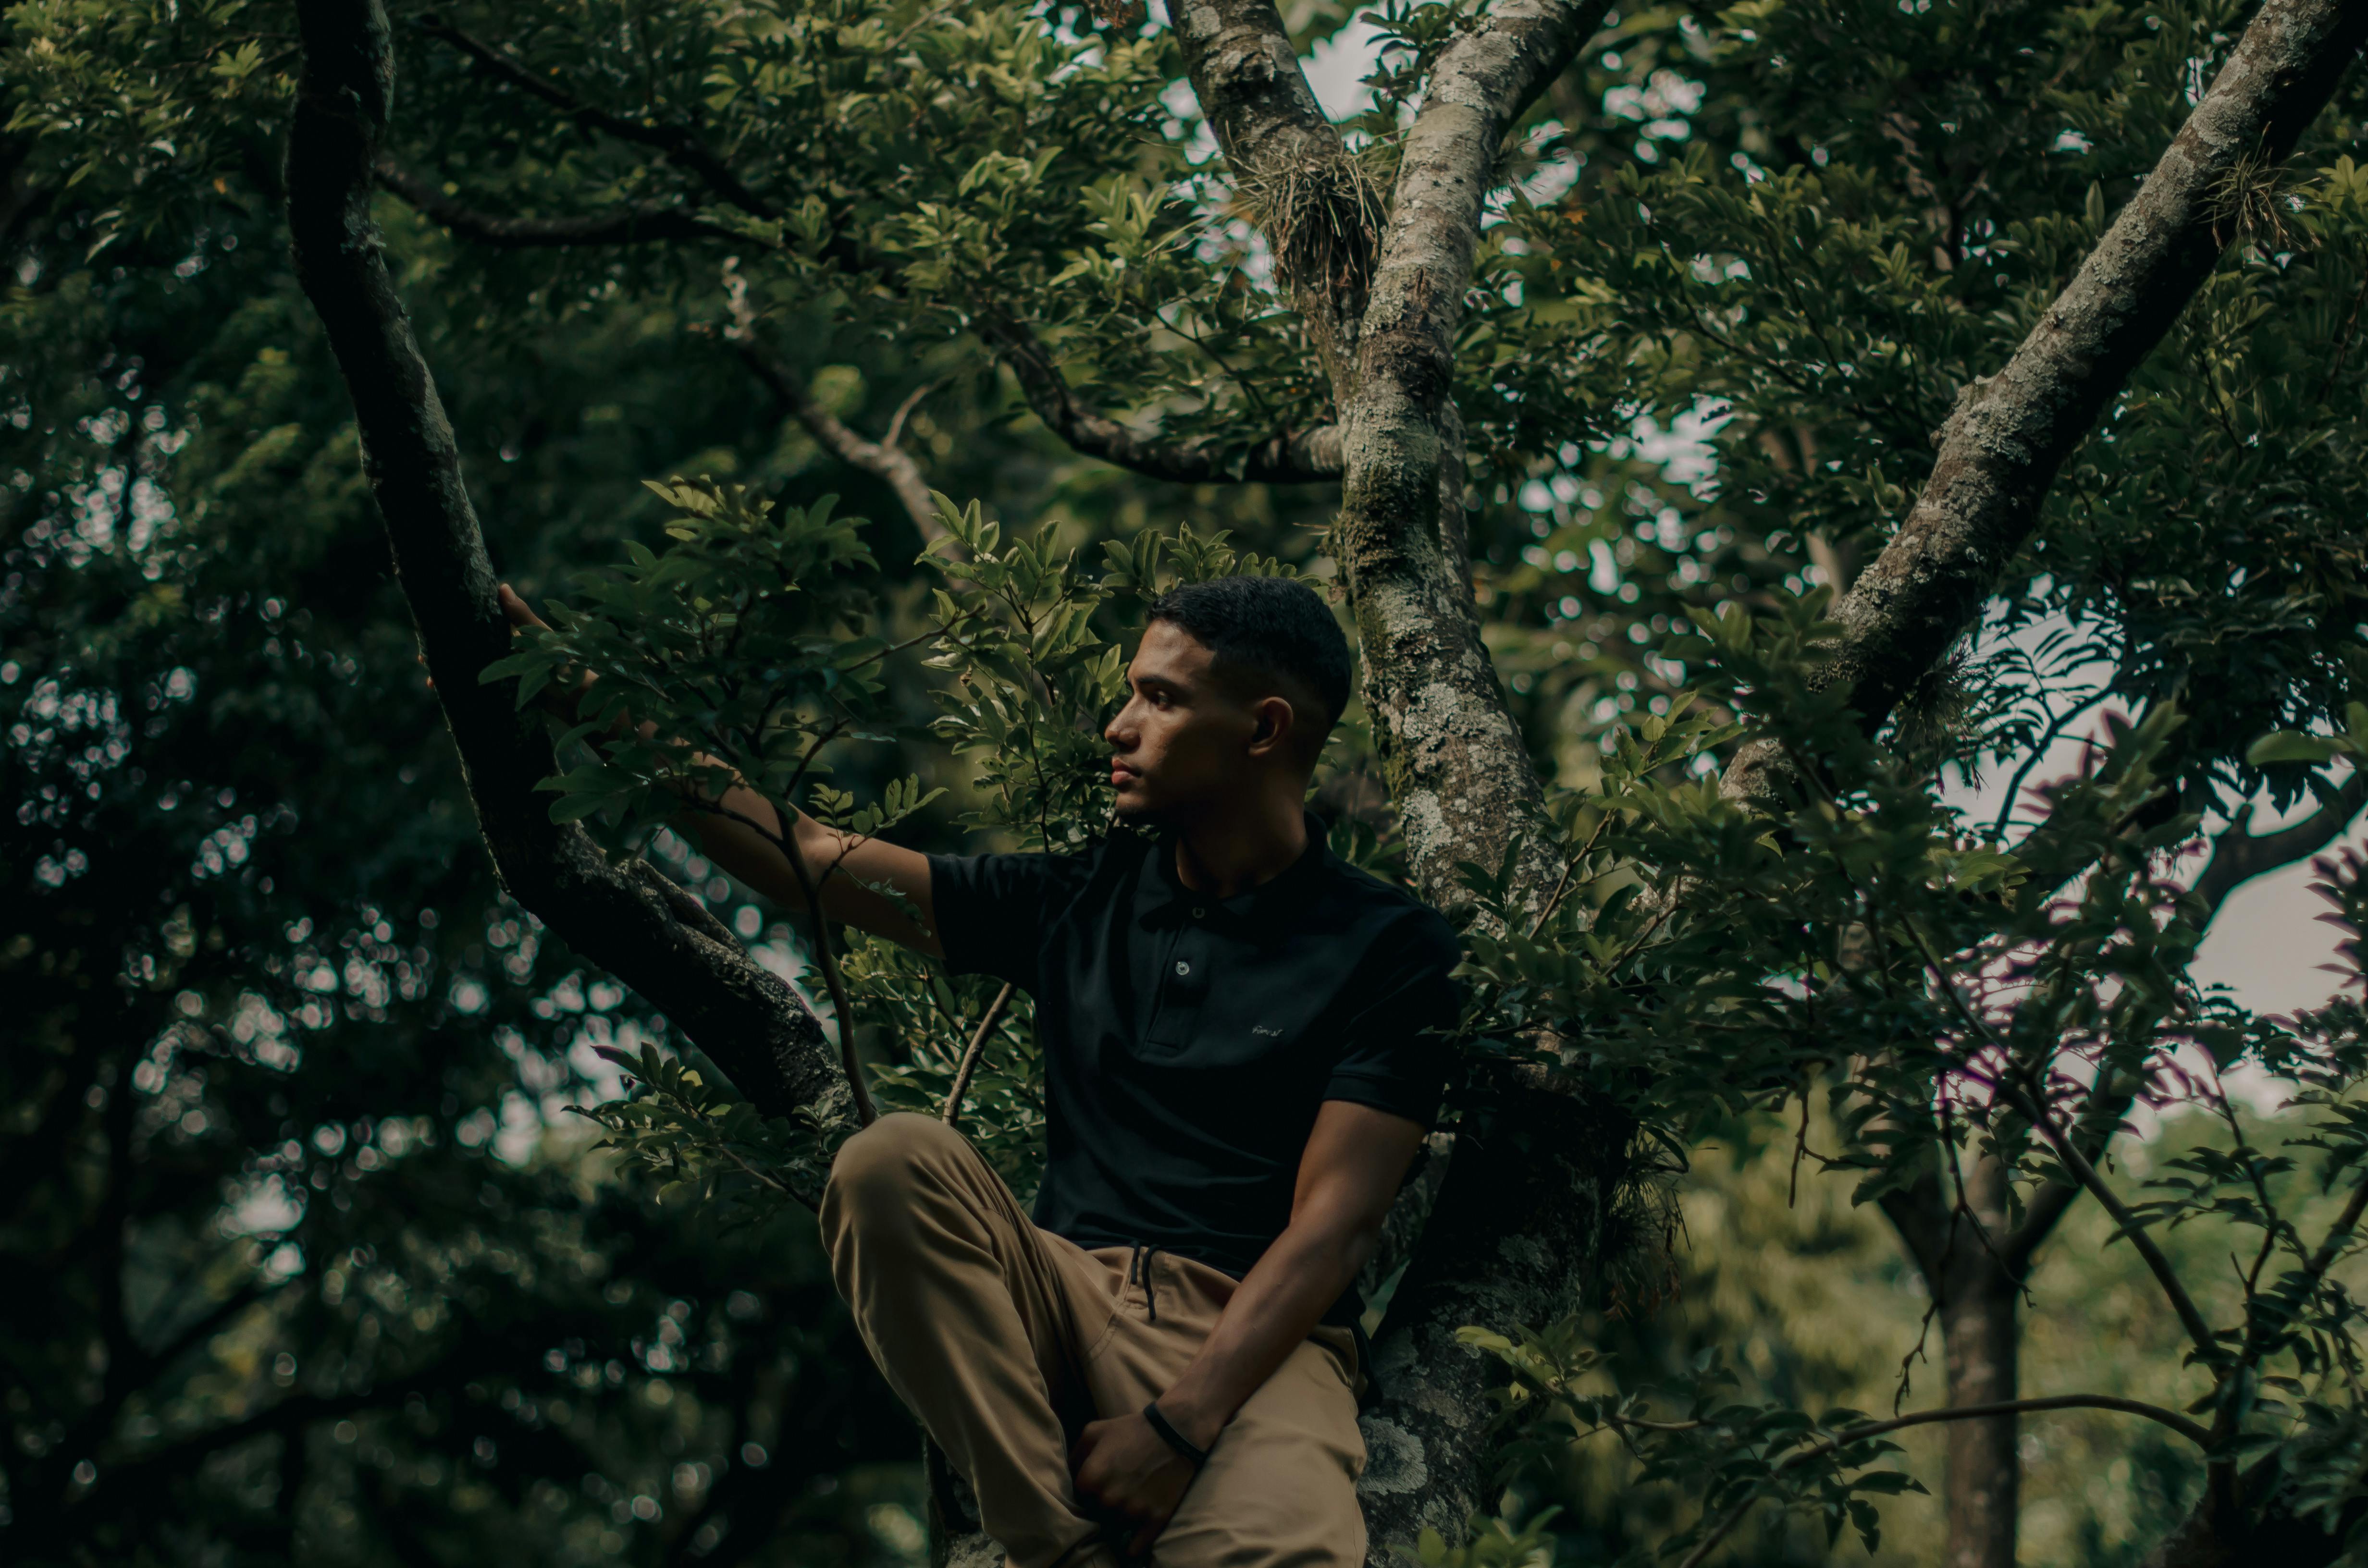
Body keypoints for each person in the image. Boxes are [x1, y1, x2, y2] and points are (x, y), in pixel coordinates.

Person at [497, 573, 1461, 1568]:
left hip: (1254, 1348)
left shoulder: (1389, 948)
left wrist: (1176, 1430)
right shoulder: (1078, 898)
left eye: (1161, 699)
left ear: (1263, 730)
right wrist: (574, 688)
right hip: (1063, 1297)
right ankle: (1054, 1549)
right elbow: (805, 858)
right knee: (891, 1161)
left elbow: (1330, 1232)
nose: (1117, 725)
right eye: (1130, 690)